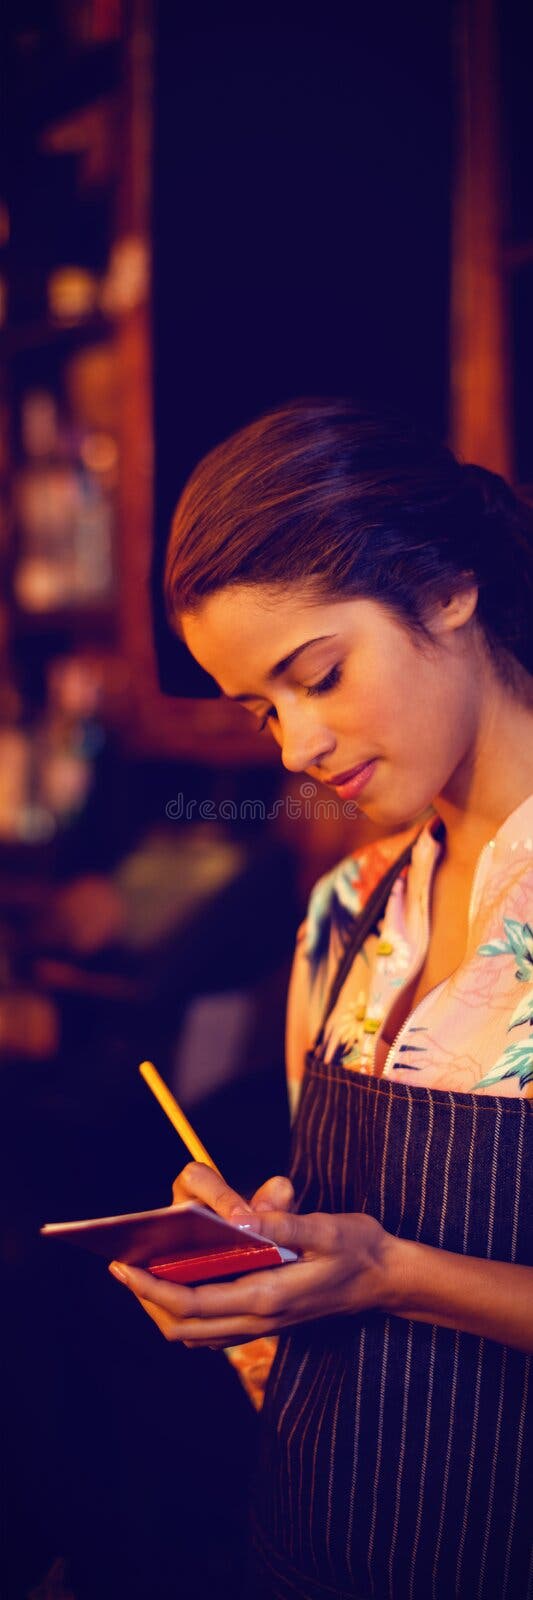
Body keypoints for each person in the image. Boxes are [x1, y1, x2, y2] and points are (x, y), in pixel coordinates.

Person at [109, 400, 533, 1599]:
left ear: (446, 589)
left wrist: (389, 1271)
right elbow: (328, 1268)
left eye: (316, 675)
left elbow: (378, 1264)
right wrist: (258, 1271)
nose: (293, 745)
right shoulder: (342, 911)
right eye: (262, 709)